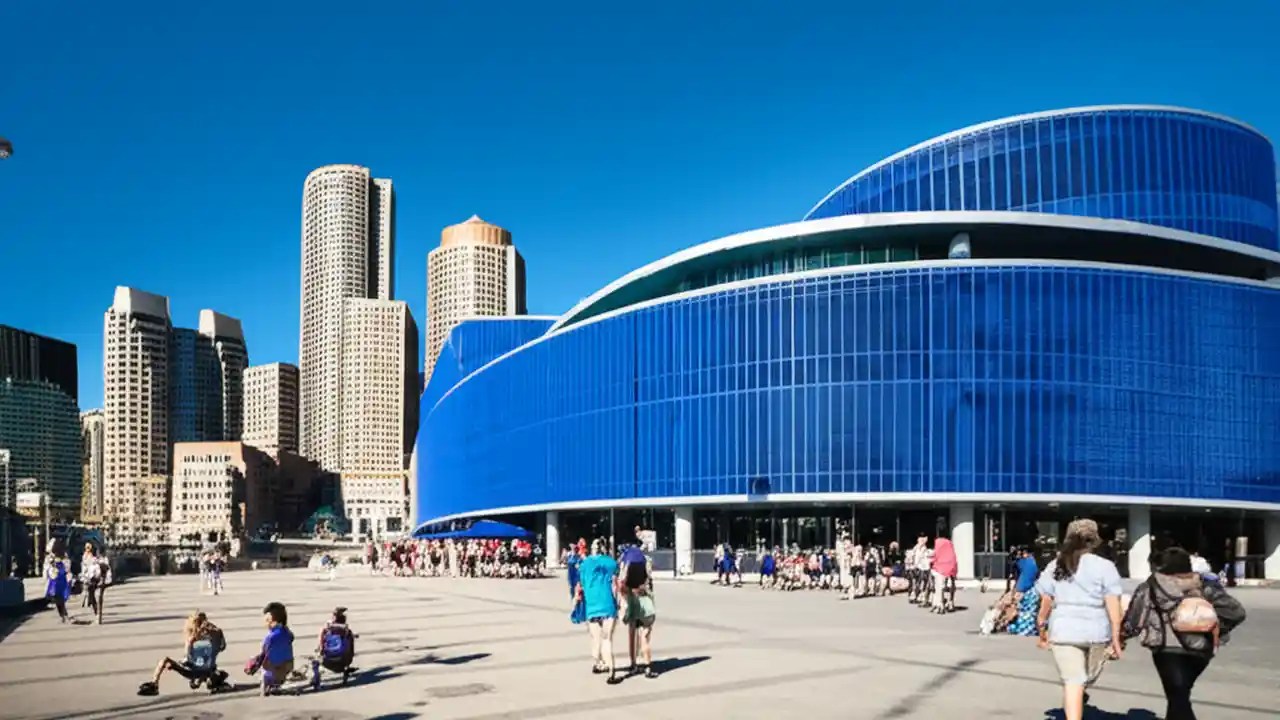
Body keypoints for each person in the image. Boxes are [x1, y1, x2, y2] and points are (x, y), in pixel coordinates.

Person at [1122, 547, 1246, 720]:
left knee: (1177, 697)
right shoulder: (1203, 585)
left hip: (1166, 648)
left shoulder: (1150, 586)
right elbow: (1236, 612)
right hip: (1202, 648)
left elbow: (1135, 619)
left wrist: (1119, 637)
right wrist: (1213, 627)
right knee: (1180, 694)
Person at [1035, 519, 1124, 720]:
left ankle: (1074, 698)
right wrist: (1116, 637)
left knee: (1075, 681)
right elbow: (1113, 604)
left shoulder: (1056, 564)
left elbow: (1045, 599)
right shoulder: (1106, 566)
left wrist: (1042, 626)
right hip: (1096, 631)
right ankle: (1075, 701)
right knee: (1079, 680)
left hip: (1064, 629)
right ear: (1094, 541)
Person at [137, 612, 229, 695]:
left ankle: (154, 684)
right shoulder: (217, 633)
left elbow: (189, 656)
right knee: (212, 670)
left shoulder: (192, 639)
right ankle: (206, 680)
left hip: (193, 670)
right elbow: (222, 647)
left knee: (166, 660)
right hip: (207, 669)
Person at [576, 538, 622, 684]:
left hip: (592, 605)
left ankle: (596, 663)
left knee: (595, 637)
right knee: (606, 639)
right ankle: (611, 671)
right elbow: (616, 579)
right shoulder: (610, 562)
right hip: (607, 604)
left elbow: (581, 585)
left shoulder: (584, 564)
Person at [620, 543, 657, 678]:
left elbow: (621, 583)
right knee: (645, 636)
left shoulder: (625, 562)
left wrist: (623, 599)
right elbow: (650, 580)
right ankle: (647, 667)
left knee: (632, 634)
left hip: (632, 602)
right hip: (645, 602)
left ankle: (633, 664)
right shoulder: (647, 561)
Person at [311, 606, 357, 689]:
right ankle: (346, 670)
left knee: (315, 658)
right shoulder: (347, 632)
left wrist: (321, 649)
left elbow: (321, 645)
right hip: (343, 662)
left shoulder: (326, 630)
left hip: (327, 661)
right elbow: (352, 650)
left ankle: (316, 677)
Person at [254, 602, 296, 695]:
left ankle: (266, 686)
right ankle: (275, 683)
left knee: (261, 662)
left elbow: (264, 651)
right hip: (287, 666)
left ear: (272, 619)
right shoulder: (287, 632)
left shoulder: (270, 637)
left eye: (266, 619)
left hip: (273, 669)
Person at [1007, 547, 1042, 636]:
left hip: (1022, 588)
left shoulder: (1025, 562)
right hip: (1030, 589)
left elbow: (1015, 567)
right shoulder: (1032, 562)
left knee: (1016, 607)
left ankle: (1012, 623)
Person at [44, 541, 72, 623]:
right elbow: (47, 567)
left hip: (60, 579)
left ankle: (63, 615)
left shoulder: (64, 557)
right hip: (56, 580)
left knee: (60, 599)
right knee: (58, 599)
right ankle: (63, 615)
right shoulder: (51, 558)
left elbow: (67, 568)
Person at [931, 532, 957, 613]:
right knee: (951, 583)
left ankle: (940, 604)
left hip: (940, 565)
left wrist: (932, 562)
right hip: (951, 564)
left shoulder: (938, 542)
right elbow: (952, 554)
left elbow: (936, 554)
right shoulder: (950, 543)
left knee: (939, 585)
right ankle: (951, 602)